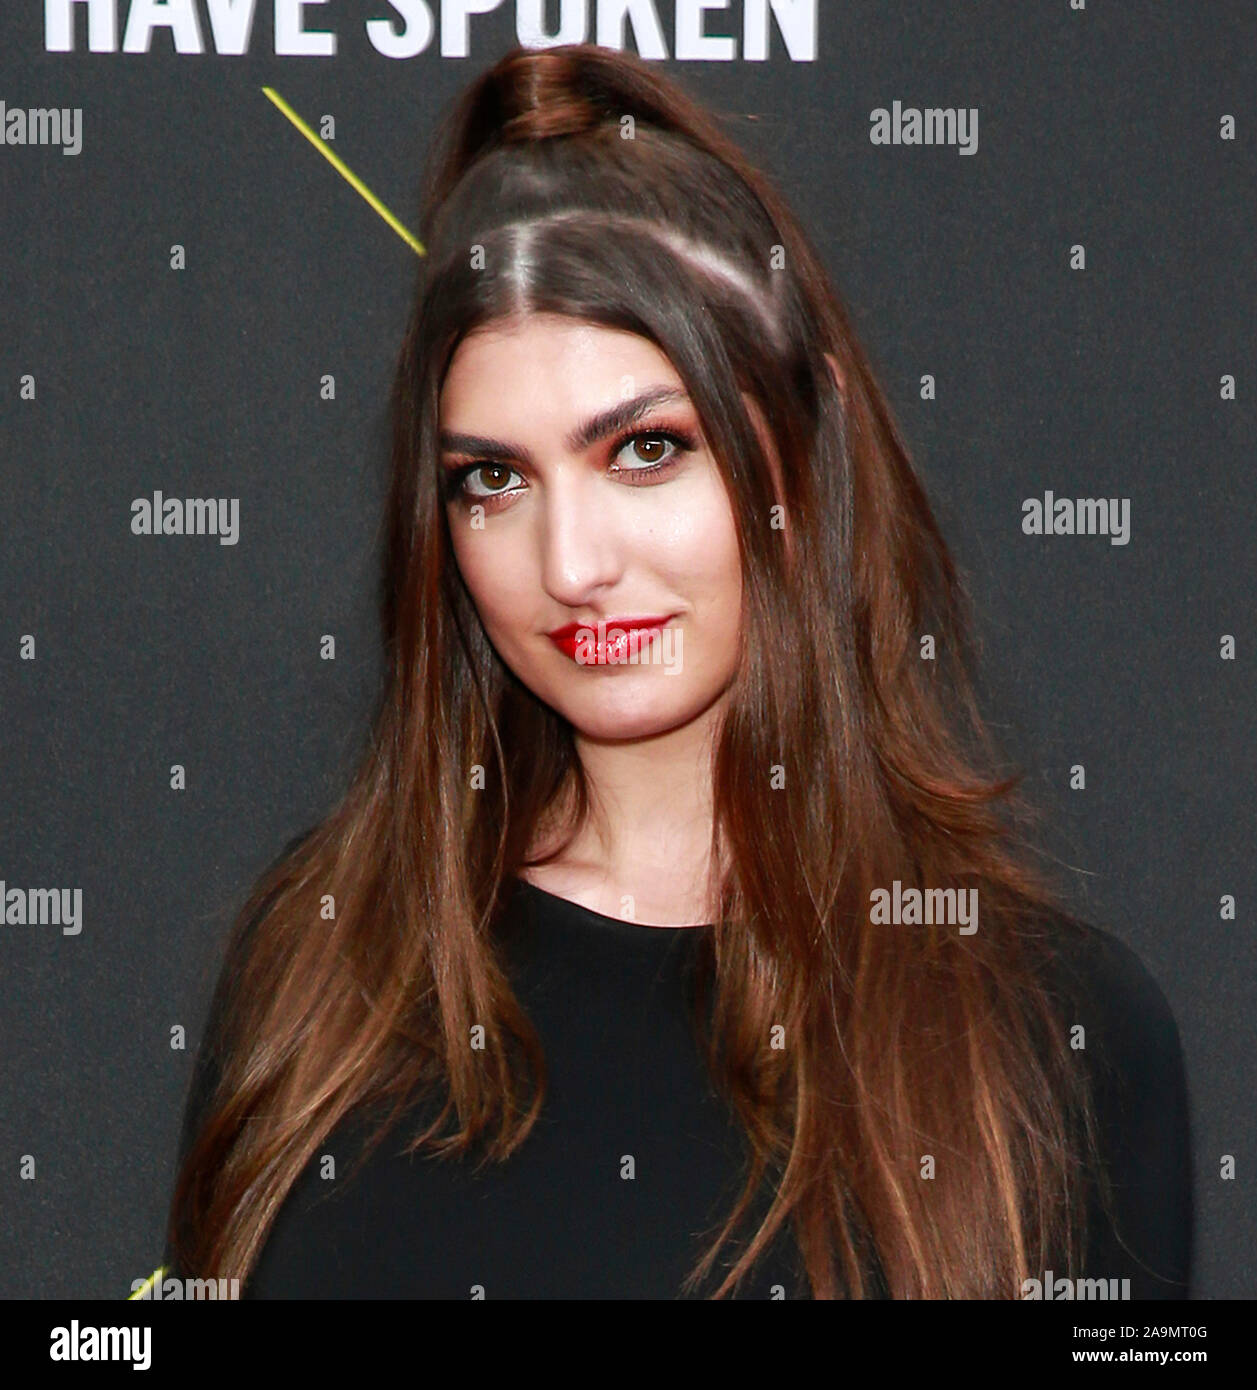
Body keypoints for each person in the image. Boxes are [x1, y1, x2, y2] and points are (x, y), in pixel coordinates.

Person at [160, 42, 1191, 1300]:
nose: (571, 563)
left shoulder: (1059, 1032)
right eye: (494, 479)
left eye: (645, 450)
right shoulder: (321, 967)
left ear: (807, 440)